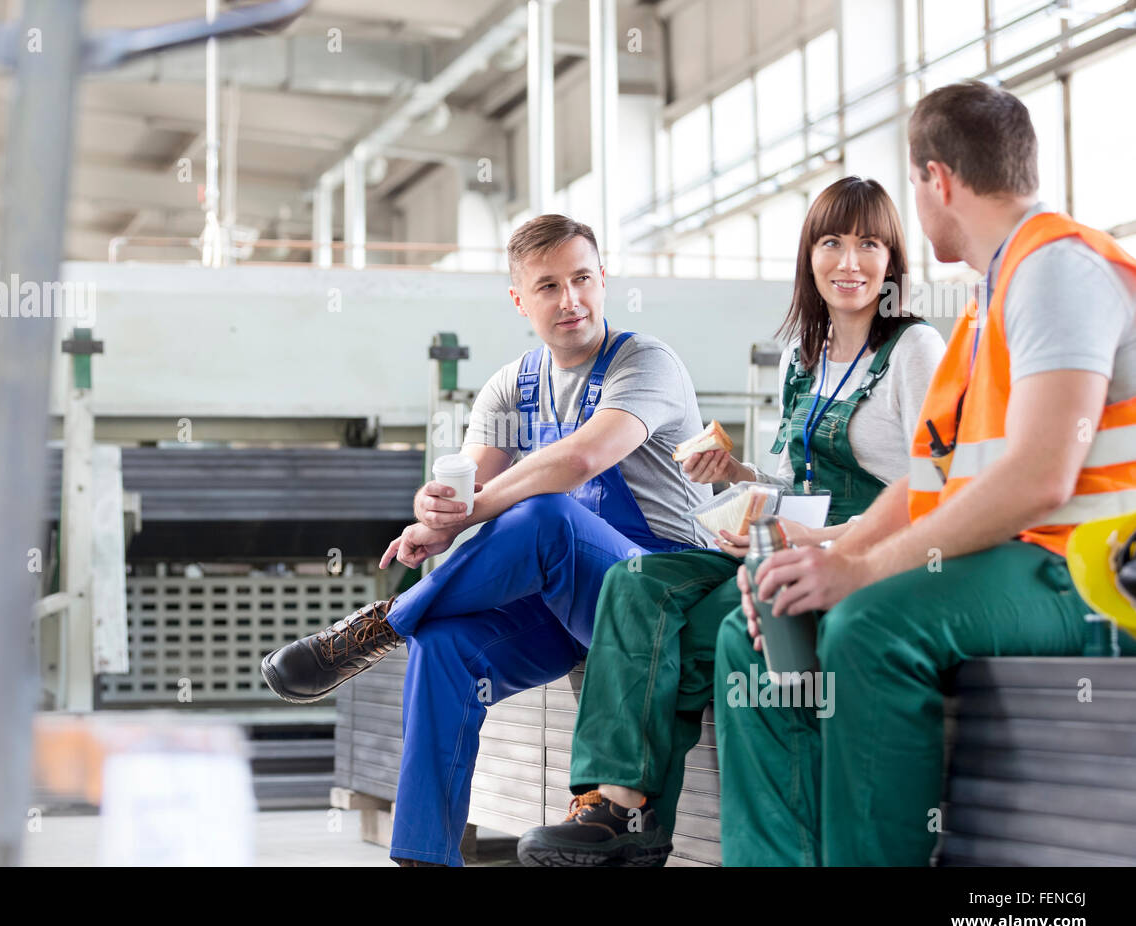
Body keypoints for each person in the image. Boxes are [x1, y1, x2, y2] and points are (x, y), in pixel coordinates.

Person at [719, 79, 1136, 866]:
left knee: (872, 624)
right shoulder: (988, 304)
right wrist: (834, 560)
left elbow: (1043, 475)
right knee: (761, 632)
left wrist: (864, 574)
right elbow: (930, 479)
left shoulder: (1058, 270)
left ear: (935, 180)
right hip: (1027, 562)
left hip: (1094, 571)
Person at [516, 177, 945, 866]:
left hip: (869, 551)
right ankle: (613, 802)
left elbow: (935, 490)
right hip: (784, 539)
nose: (850, 261)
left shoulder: (915, 351)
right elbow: (786, 480)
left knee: (695, 641)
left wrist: (820, 539)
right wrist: (740, 478)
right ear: (809, 257)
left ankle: (639, 823)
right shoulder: (804, 358)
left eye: (870, 243)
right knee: (634, 581)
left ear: (894, 259)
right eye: (831, 241)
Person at [262, 214, 712, 866]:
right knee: (443, 647)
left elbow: (583, 459)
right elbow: (467, 482)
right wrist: (435, 511)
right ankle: (424, 856)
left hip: (659, 592)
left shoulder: (645, 362)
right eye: (549, 286)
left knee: (548, 513)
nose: (571, 300)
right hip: (572, 604)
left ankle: (385, 623)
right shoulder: (512, 386)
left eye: (583, 279)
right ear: (519, 300)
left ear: (603, 279)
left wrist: (475, 511)